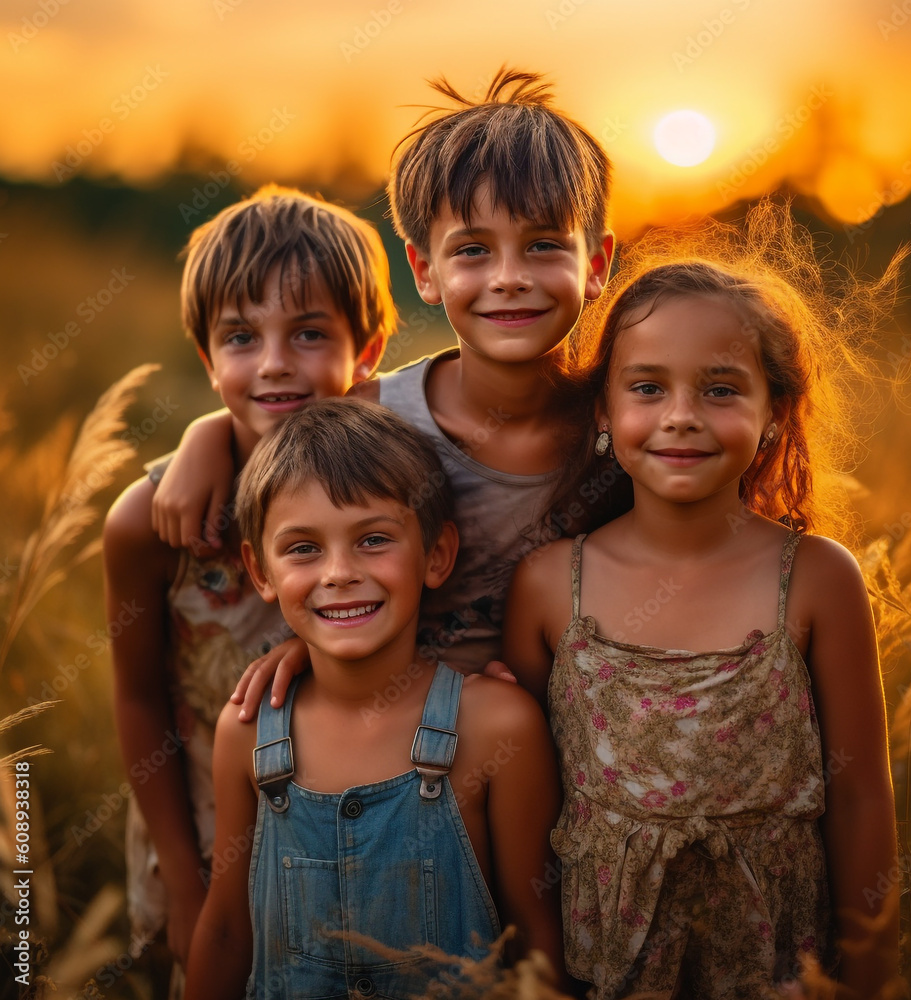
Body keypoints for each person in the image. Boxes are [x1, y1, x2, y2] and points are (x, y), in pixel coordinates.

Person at [503, 207, 904, 999]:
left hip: (776, 968)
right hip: (602, 965)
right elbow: (523, 793)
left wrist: (868, 978)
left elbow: (861, 794)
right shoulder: (552, 584)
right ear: (605, 415)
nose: (681, 416)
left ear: (775, 414)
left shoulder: (818, 578)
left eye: (720, 389)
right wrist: (536, 967)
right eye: (648, 388)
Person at [150, 67, 615, 695]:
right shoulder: (374, 416)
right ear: (424, 270)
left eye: (543, 246)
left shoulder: (619, 431)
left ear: (598, 263)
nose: (509, 277)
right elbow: (284, 439)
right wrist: (207, 439)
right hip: (381, 748)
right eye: (473, 250)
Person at [103, 184, 393, 987]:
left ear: (365, 352)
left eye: (308, 333)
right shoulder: (150, 522)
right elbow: (136, 702)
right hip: (196, 842)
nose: (272, 363)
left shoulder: (391, 488)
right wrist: (186, 888)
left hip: (362, 847)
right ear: (206, 356)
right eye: (240, 337)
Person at [184, 397, 565, 1000]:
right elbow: (230, 929)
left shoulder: (495, 726)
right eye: (303, 548)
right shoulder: (250, 728)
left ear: (436, 555)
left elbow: (538, 940)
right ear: (261, 573)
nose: (338, 572)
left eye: (373, 540)